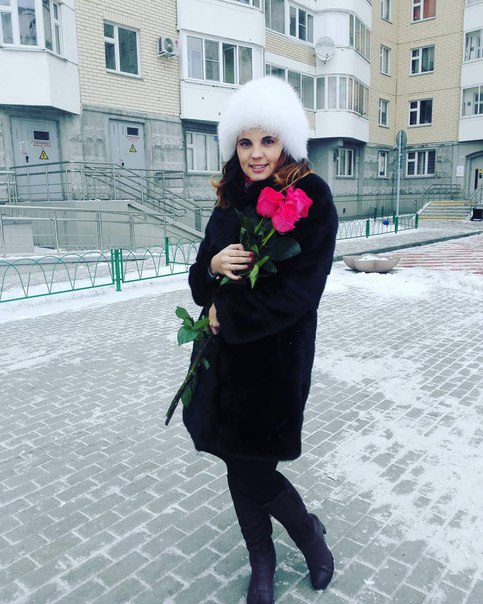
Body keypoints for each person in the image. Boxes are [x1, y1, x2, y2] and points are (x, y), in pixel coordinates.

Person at [183, 76, 338, 604]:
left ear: (286, 141)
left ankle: (308, 536)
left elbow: (301, 291)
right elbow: (198, 283)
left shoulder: (310, 197)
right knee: (238, 462)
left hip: (274, 363)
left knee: (254, 469)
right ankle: (261, 559)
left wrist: (229, 312)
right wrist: (212, 266)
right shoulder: (229, 199)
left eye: (267, 140)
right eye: (245, 142)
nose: (255, 154)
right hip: (221, 364)